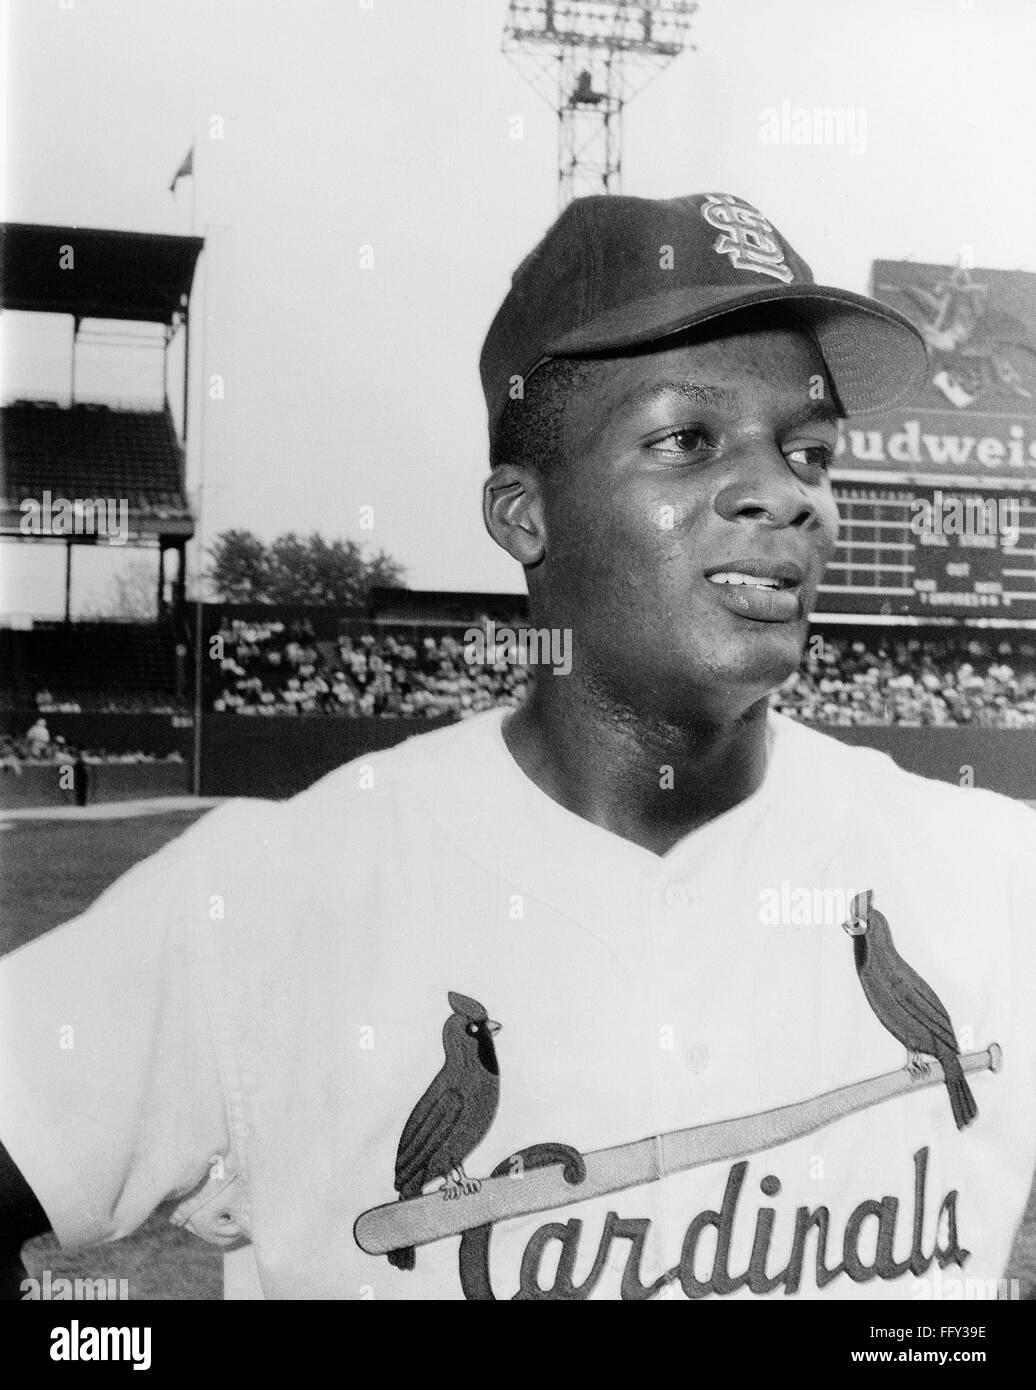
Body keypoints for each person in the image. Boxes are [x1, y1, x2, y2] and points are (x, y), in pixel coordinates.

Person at [1, 191, 1034, 1302]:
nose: (784, 493)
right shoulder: (268, 895)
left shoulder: (997, 876)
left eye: (810, 450)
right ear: (520, 514)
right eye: (686, 438)